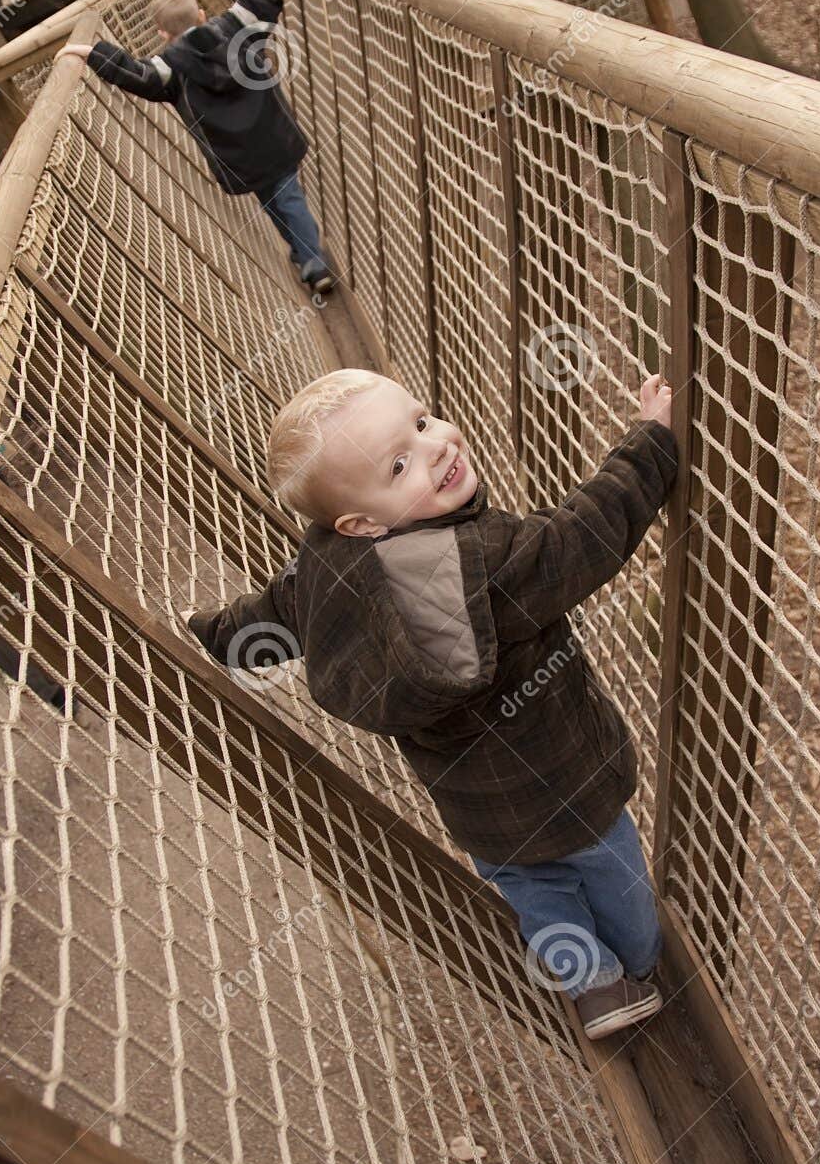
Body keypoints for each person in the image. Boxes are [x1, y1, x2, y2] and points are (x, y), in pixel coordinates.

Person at [183, 367, 677, 1041]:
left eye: (420, 422)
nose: (436, 447)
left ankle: (589, 980)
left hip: (478, 810)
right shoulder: (483, 562)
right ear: (358, 519)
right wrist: (648, 441)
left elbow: (268, 616)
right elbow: (583, 535)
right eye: (398, 464)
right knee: (612, 874)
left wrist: (209, 632)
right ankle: (641, 968)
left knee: (535, 889)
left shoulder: (326, 563)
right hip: (573, 778)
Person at [59, 0, 336, 296]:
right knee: (289, 195)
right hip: (275, 136)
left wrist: (92, 53)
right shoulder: (237, 27)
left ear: (162, 33)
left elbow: (136, 74)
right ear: (202, 14)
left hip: (240, 159)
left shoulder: (169, 68)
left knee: (270, 200)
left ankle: (306, 256)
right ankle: (310, 258)